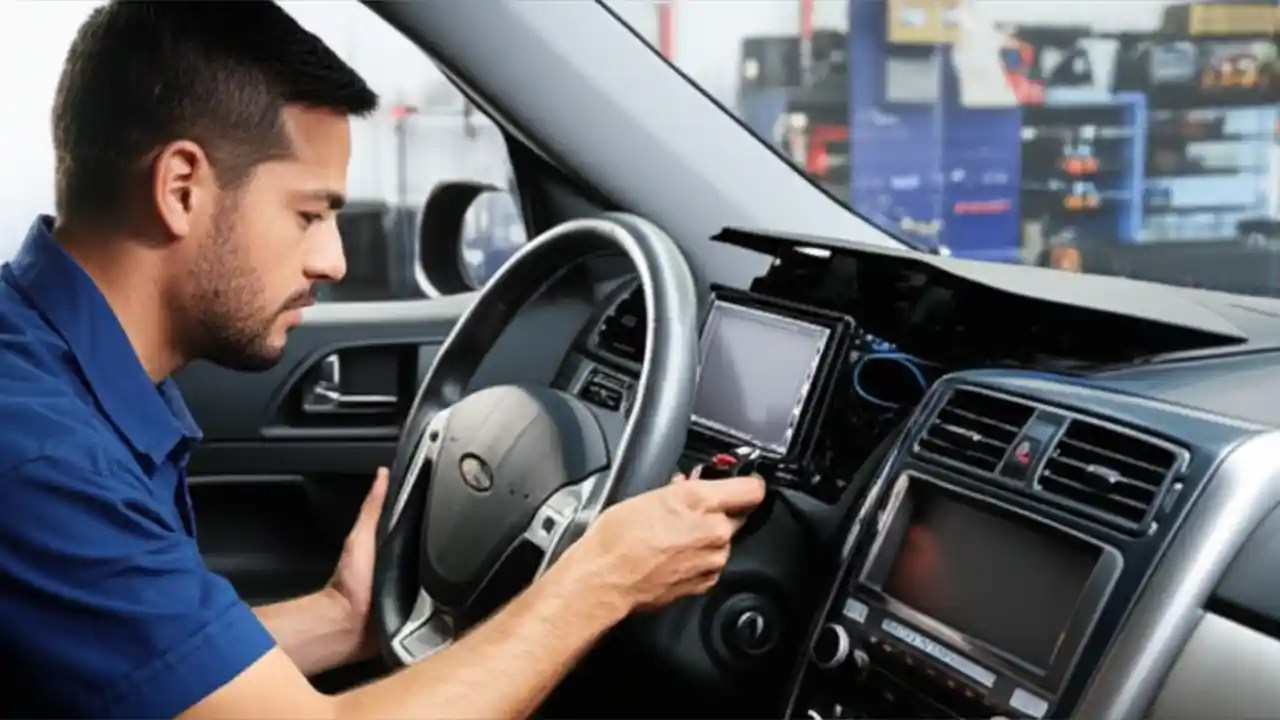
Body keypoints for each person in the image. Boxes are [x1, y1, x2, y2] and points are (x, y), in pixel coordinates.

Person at [0, 2, 766, 718]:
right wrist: (602, 577)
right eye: (309, 213)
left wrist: (343, 617)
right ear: (180, 189)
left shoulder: (54, 375)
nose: (332, 260)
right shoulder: (40, 457)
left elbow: (164, 662)